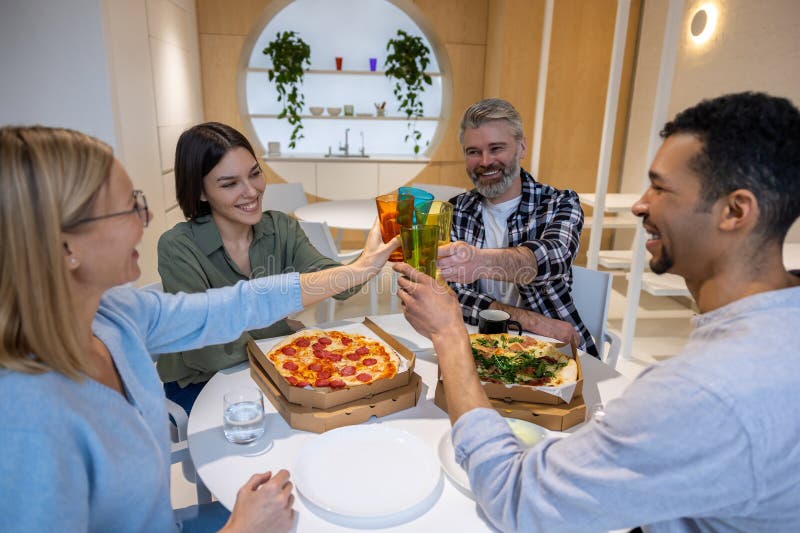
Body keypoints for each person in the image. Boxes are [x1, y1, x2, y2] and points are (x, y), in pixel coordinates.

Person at [396, 92, 800, 531]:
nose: (639, 205)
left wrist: (452, 328)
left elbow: (521, 500)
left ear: (736, 211)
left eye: (660, 187)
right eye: (474, 151)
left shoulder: (701, 392)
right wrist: (508, 315)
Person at [0, 125, 398, 532]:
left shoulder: (115, 314)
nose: (146, 219)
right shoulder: (24, 418)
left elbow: (239, 304)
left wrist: (363, 266)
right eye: (128, 209)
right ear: (64, 245)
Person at [157, 122, 361, 413]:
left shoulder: (280, 226)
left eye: (254, 174)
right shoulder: (177, 246)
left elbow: (342, 287)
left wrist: (370, 261)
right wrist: (277, 329)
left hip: (269, 368)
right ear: (201, 192)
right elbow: (209, 353)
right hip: (200, 384)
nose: (251, 191)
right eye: (230, 184)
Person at [437, 98, 597, 355]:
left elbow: (552, 257)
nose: (485, 161)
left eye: (496, 148)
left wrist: (478, 262)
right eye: (473, 152)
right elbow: (451, 296)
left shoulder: (559, 203)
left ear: (521, 147)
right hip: (478, 345)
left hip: (553, 348)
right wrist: (532, 321)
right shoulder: (454, 211)